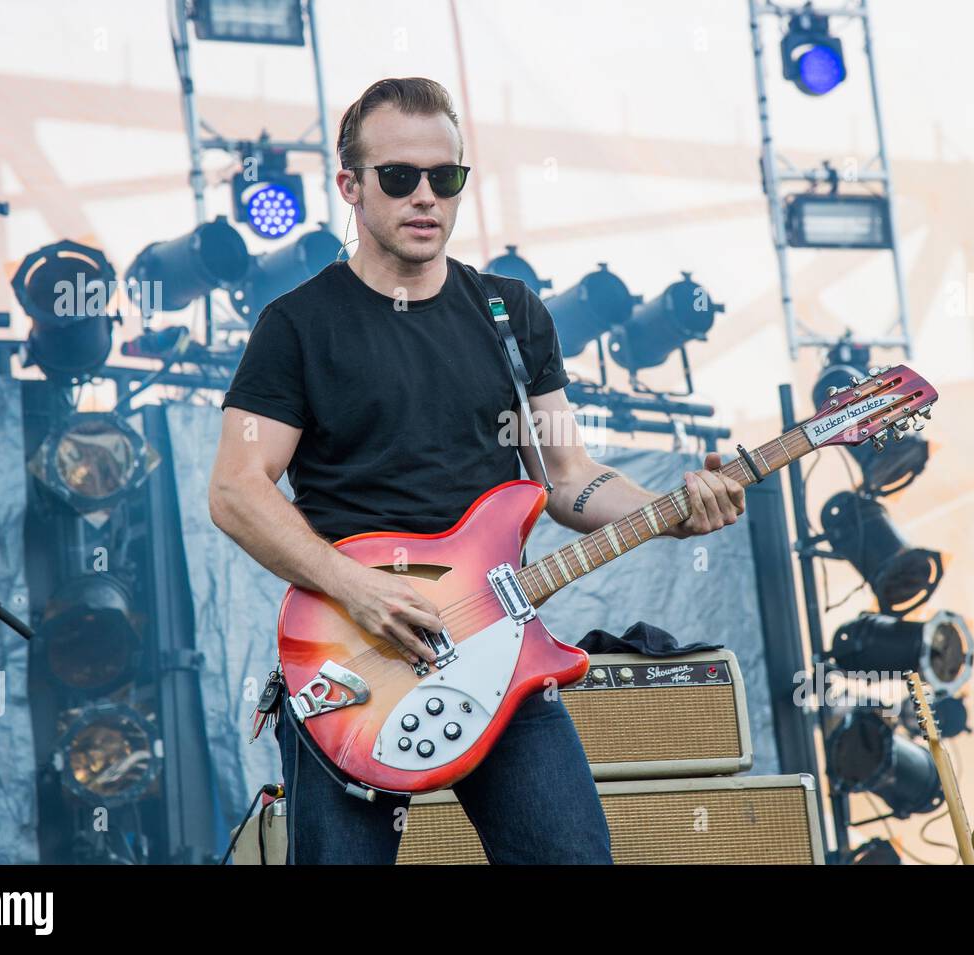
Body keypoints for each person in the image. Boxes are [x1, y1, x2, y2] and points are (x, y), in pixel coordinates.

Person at [208, 77, 745, 864]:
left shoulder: (510, 313)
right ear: (349, 186)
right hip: (357, 659)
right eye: (399, 177)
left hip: (504, 648)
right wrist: (360, 588)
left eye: (445, 177)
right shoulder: (297, 326)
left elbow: (568, 477)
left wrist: (672, 508)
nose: (425, 196)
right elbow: (235, 488)